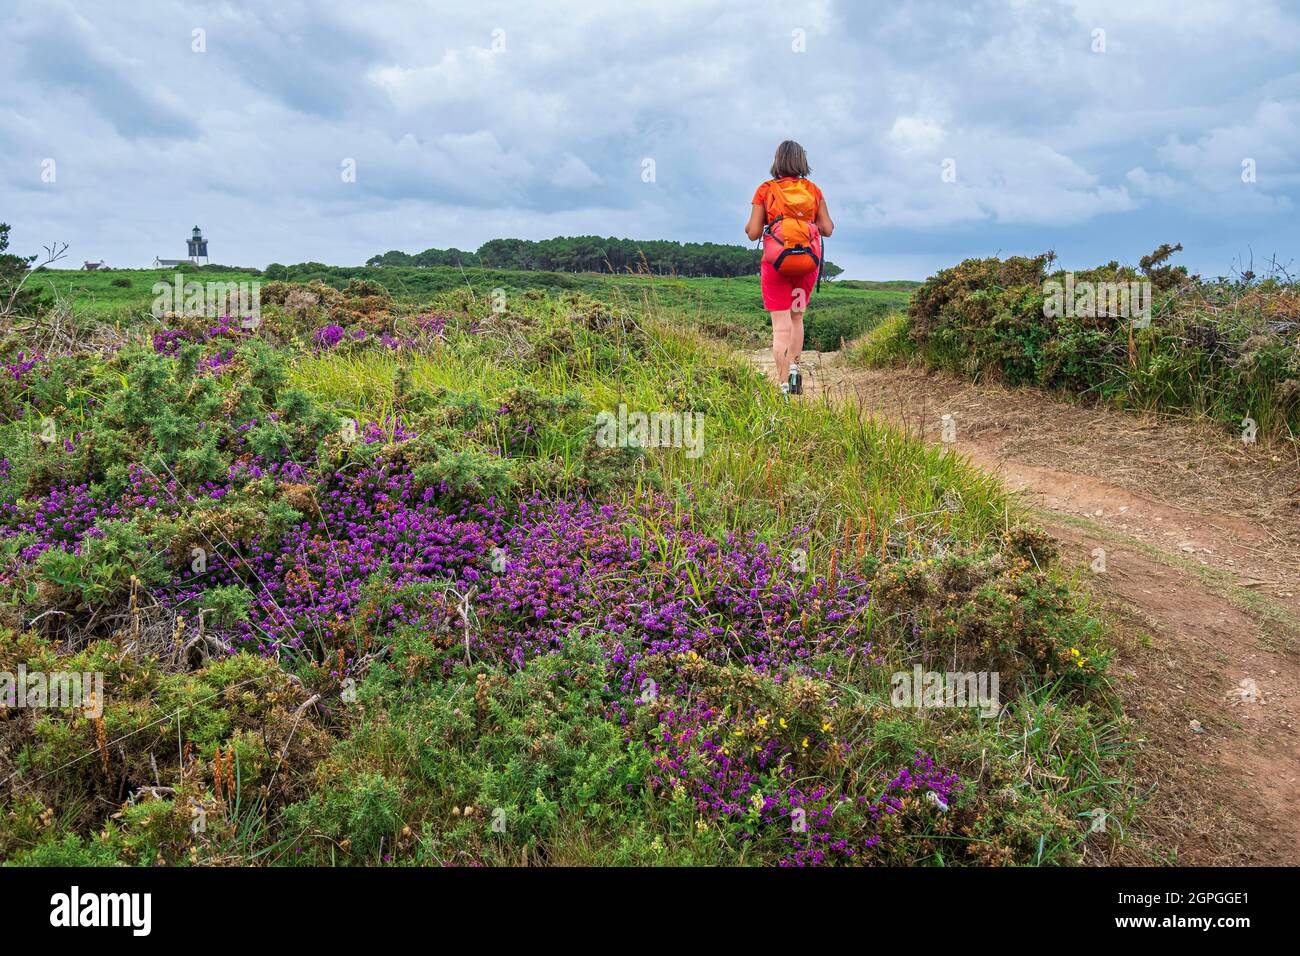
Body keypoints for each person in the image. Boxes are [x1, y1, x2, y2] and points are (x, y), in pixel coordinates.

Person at [745, 140, 834, 398]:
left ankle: (783, 386)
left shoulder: (765, 189)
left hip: (776, 265)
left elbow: (752, 233)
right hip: (806, 264)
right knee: (797, 318)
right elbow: (827, 229)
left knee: (780, 327)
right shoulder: (813, 190)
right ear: (801, 161)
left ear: (777, 161)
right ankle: (795, 369)